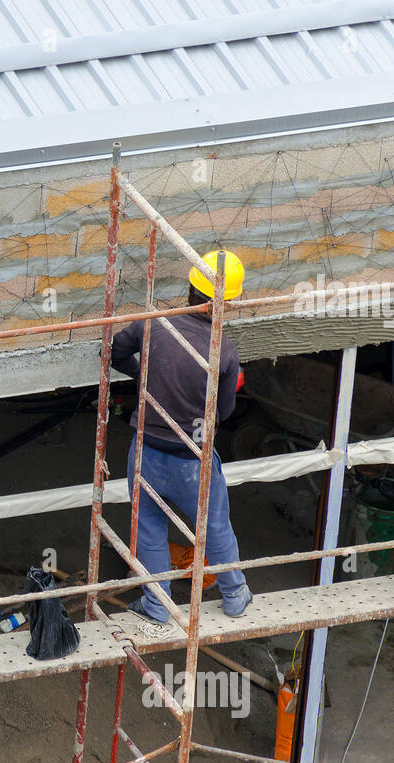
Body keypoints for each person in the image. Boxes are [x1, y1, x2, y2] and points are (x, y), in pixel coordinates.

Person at [110, 250, 252, 639]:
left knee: (149, 528)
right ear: (227, 302)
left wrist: (144, 375)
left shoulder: (156, 324)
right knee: (214, 526)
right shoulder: (224, 350)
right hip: (193, 457)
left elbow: (115, 351)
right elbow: (223, 411)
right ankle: (235, 596)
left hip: (148, 452)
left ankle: (157, 606)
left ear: (190, 288)